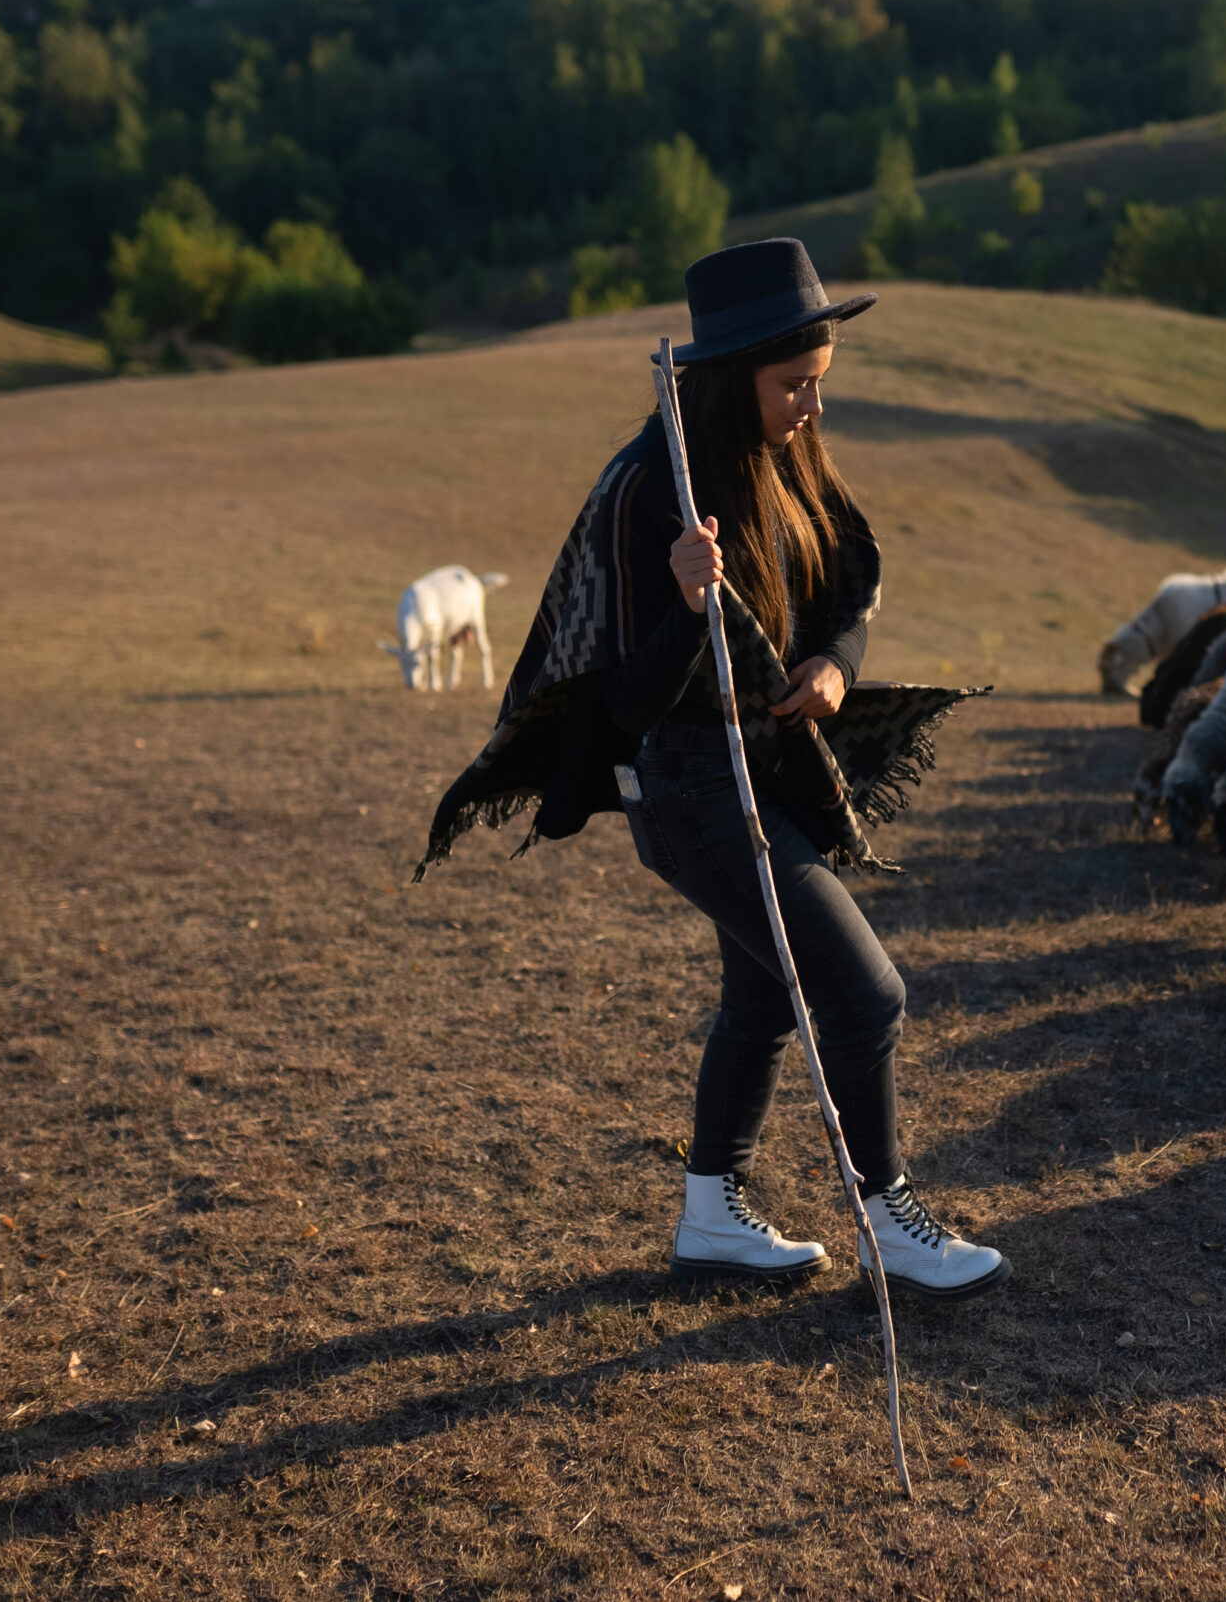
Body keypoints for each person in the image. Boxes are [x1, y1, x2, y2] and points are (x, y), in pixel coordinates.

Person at [421, 239, 1008, 1303]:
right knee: (868, 996)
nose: (812, 409)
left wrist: (835, 666)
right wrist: (690, 606)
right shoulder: (653, 489)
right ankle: (891, 1224)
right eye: (795, 387)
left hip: (765, 769)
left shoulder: (782, 458)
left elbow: (850, 581)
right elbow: (619, 703)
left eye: (820, 385)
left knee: (765, 995)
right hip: (688, 788)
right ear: (734, 378)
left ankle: (711, 1217)